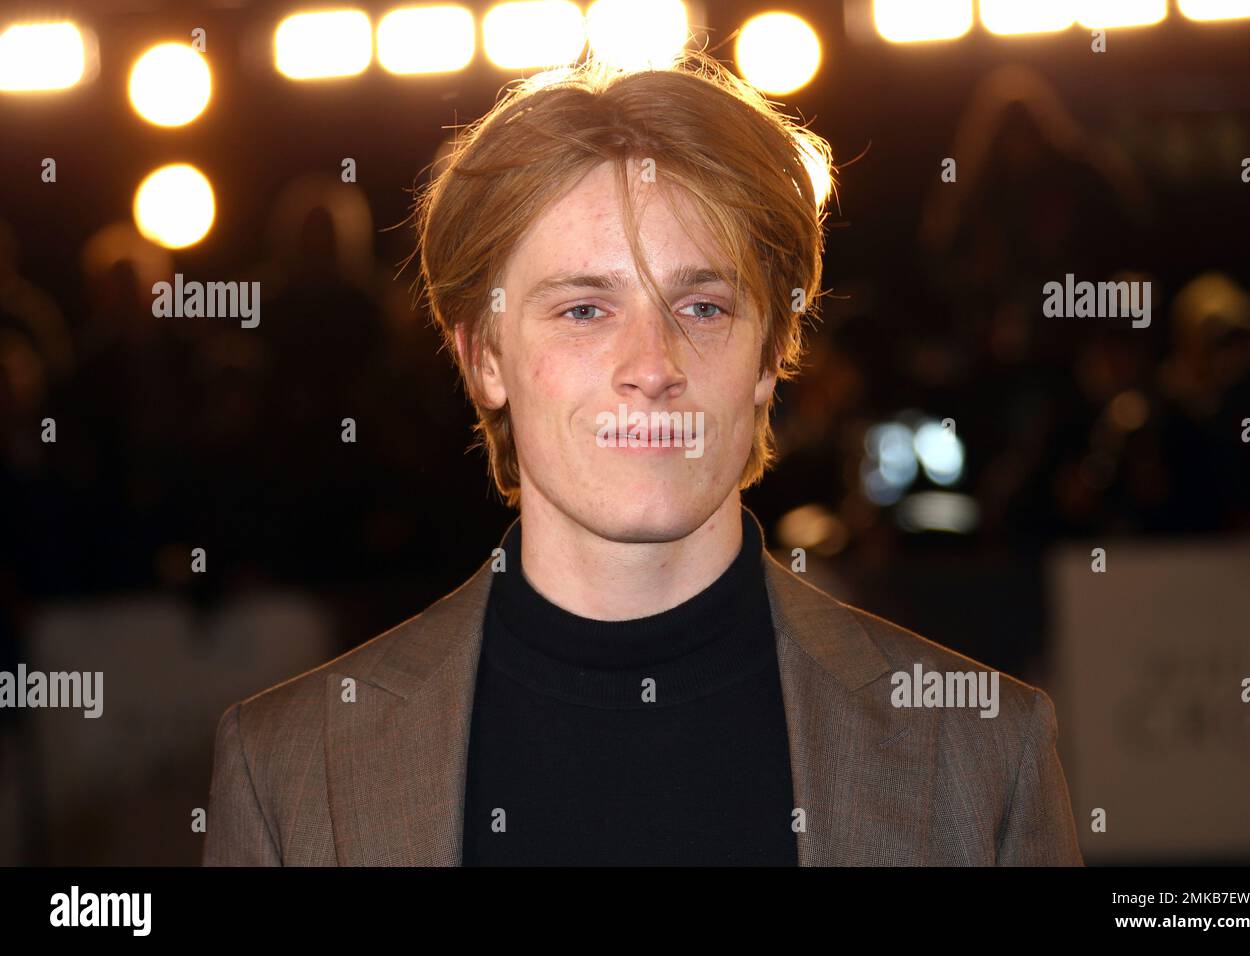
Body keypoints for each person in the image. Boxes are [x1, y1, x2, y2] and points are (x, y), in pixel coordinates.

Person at [202, 52, 1083, 866]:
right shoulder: (289, 775)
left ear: (773, 353)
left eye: (702, 306)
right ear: (484, 359)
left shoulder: (980, 755)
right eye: (585, 309)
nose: (654, 367)